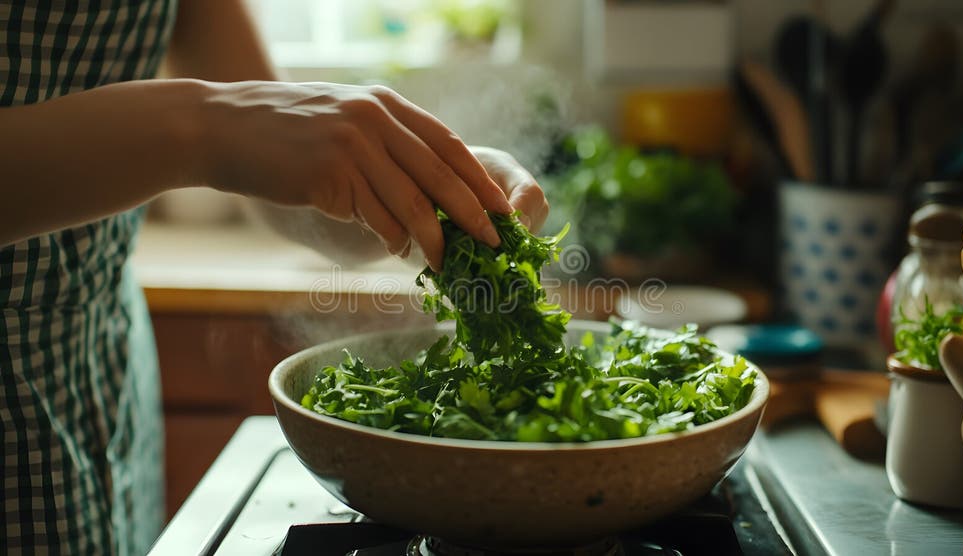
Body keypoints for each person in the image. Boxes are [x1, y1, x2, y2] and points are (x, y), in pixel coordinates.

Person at [0, 1, 550, 553]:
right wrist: (206, 125)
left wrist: (424, 197)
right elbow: (228, 132)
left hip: (102, 367)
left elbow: (290, 192)